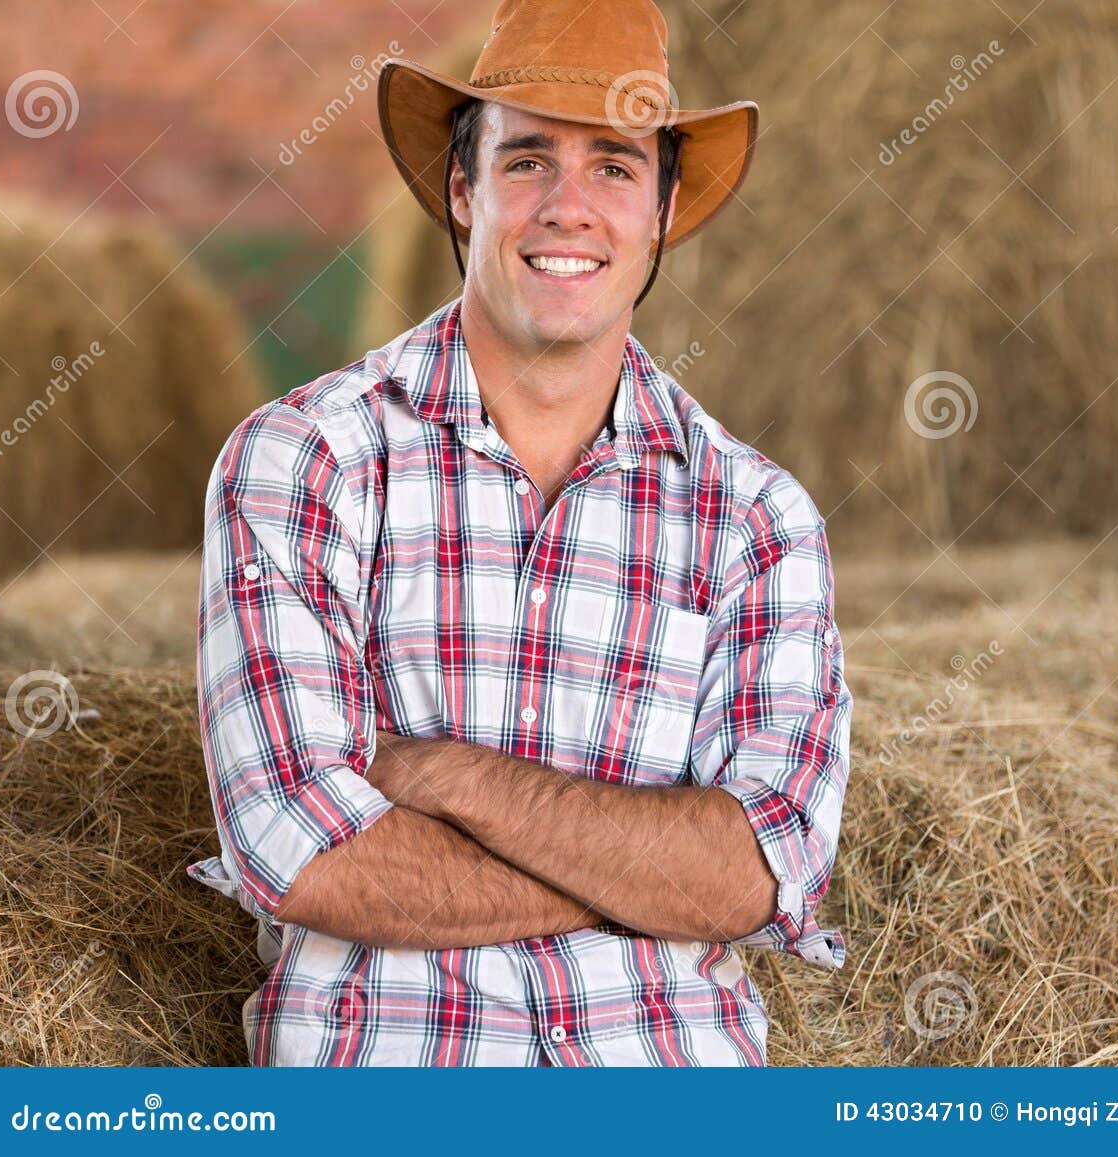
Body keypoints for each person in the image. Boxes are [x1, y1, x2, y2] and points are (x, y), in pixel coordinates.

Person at [188, 0, 852, 1066]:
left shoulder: (756, 515)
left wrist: (445, 775)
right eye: (528, 160)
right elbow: (299, 853)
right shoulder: (303, 463)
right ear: (464, 189)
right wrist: (647, 874)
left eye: (616, 169)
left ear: (664, 209)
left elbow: (758, 876)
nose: (569, 209)